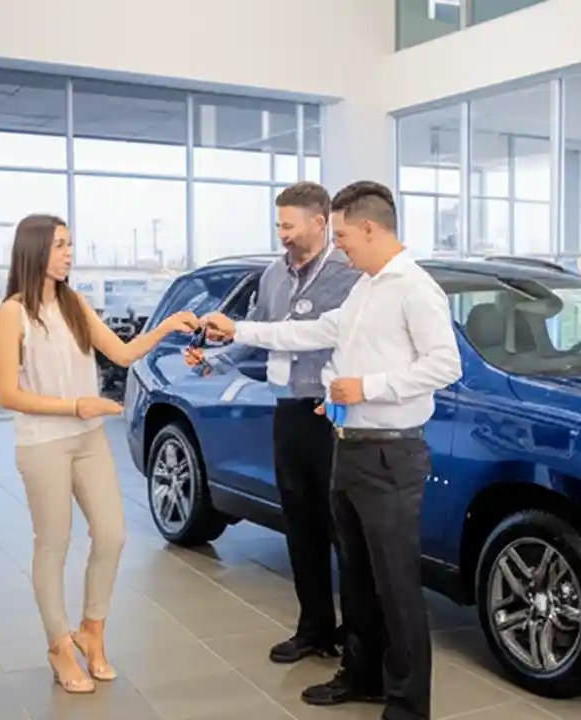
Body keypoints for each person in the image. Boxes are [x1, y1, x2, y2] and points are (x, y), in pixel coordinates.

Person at [189, 181, 462, 720]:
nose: (340, 247)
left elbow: (445, 365)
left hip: (391, 454)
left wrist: (368, 387)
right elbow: (316, 331)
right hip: (350, 445)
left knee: (396, 587)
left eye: (342, 236)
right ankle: (362, 677)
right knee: (357, 575)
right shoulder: (366, 287)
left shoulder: (415, 287)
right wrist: (238, 328)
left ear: (370, 227)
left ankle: (407, 705)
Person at [0, 214, 199, 693]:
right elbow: (7, 393)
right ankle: (59, 645)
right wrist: (76, 404)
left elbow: (123, 355)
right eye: (60, 245)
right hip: (43, 442)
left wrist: (166, 326)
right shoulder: (13, 313)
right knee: (54, 544)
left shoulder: (74, 303)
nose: (69, 253)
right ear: (35, 250)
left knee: (112, 535)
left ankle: (92, 631)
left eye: (70, 244)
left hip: (88, 440)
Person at [202, 182, 361, 663]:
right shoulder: (273, 275)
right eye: (278, 225)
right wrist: (214, 358)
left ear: (320, 222)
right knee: (301, 524)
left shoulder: (350, 273)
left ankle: (357, 641)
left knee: (346, 531)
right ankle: (313, 627)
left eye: (289, 225)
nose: (283, 234)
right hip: (290, 412)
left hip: (336, 414)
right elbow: (255, 330)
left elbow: (346, 339)